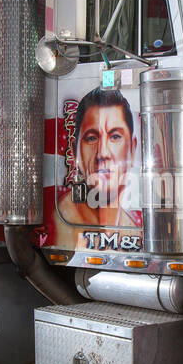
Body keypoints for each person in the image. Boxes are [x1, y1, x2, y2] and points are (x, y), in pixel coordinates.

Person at [51, 86, 141, 247]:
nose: (102, 153)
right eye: (92, 138)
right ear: (75, 151)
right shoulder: (57, 223)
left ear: (132, 149)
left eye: (115, 136)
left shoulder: (135, 231)